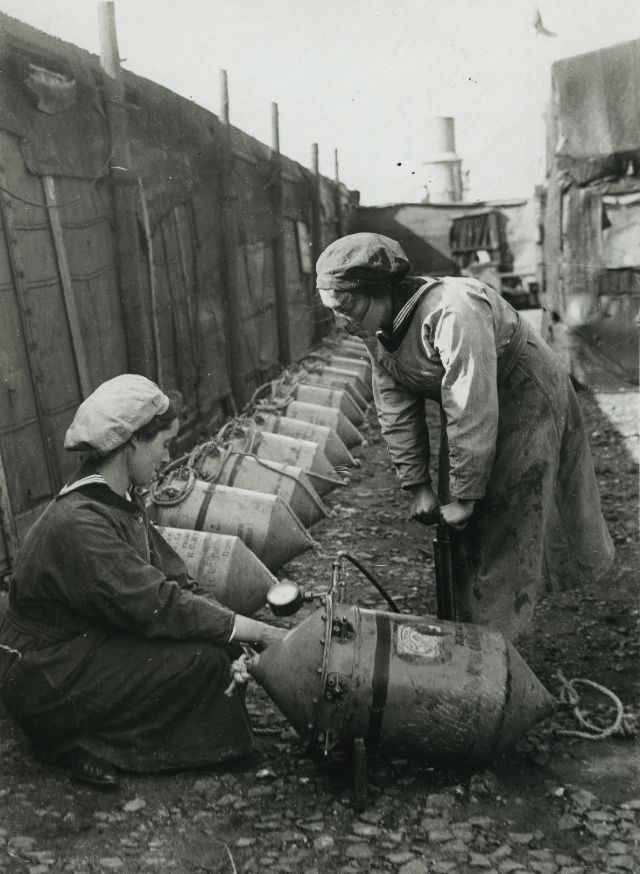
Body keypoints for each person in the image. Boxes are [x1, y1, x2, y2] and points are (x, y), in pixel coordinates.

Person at [316, 232, 614, 640]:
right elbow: (395, 407)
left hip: (522, 394)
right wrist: (417, 485)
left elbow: (469, 404)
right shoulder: (377, 331)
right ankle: (465, 633)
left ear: (379, 290)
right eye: (334, 311)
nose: (342, 323)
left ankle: (492, 653)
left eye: (348, 308)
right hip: (473, 406)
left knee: (504, 521)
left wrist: (467, 494)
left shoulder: (452, 311)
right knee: (459, 525)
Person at [0, 375, 285, 787]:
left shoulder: (120, 501)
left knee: (215, 653)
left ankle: (110, 735)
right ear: (131, 441)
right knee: (201, 661)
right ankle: (81, 742)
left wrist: (230, 629)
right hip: (43, 674)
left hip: (82, 647)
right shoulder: (79, 522)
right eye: (164, 445)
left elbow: (176, 581)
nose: (167, 457)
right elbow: (159, 604)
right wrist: (255, 629)